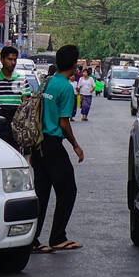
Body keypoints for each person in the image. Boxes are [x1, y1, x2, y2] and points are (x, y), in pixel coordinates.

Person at [33, 44, 84, 253]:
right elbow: (64, 123)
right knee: (68, 190)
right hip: (53, 144)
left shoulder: (47, 82)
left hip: (38, 144)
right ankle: (58, 237)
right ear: (74, 66)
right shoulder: (66, 87)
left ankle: (32, 239)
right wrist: (75, 145)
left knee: (42, 193)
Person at [0, 44, 28, 146]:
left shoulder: (22, 80)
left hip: (16, 127)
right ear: (2, 60)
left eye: (15, 60)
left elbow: (25, 106)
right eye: (9, 59)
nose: (12, 63)